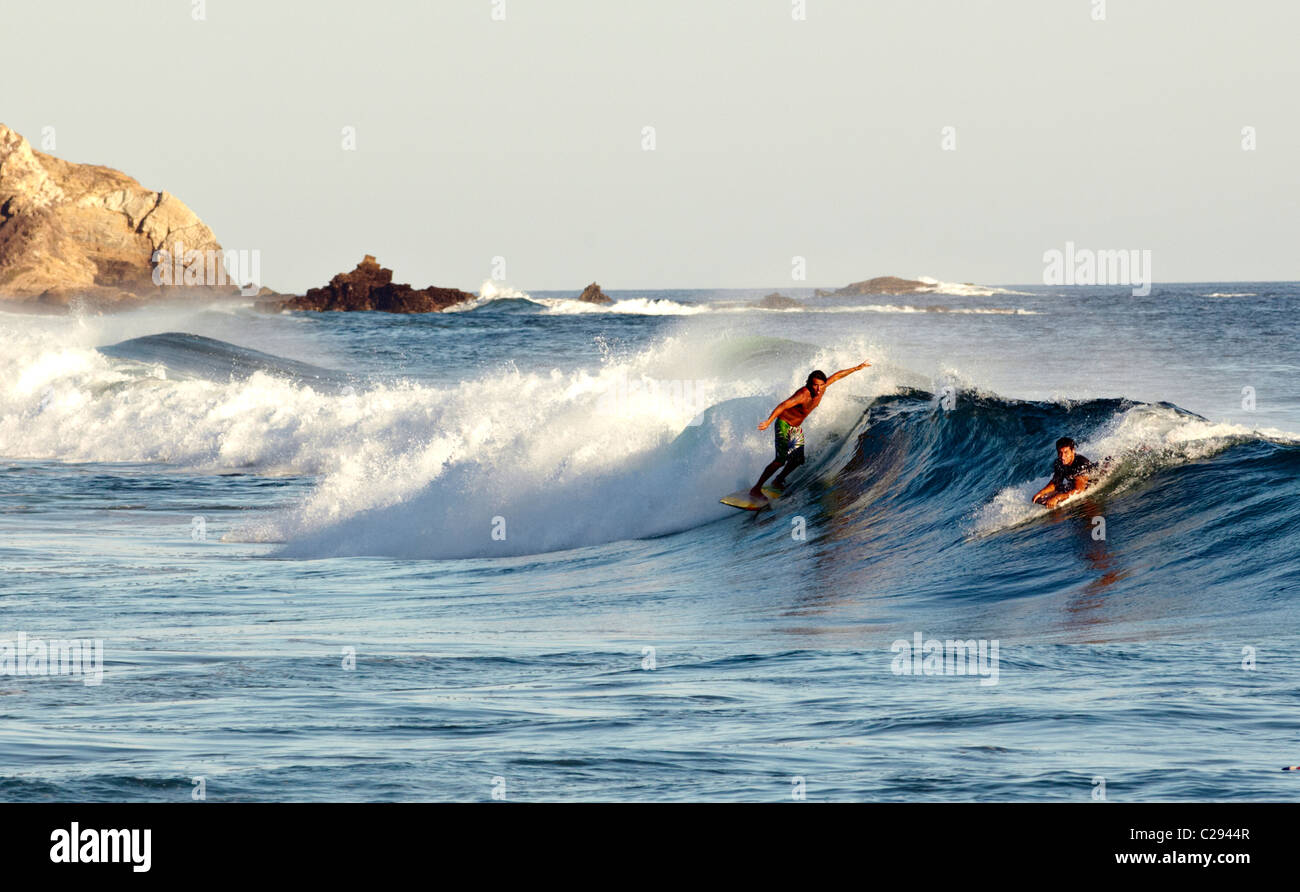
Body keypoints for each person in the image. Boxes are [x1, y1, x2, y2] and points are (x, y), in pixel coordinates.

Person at [751, 363, 870, 496]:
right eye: (815, 385)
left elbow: (837, 375)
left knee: (798, 460)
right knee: (780, 460)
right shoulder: (803, 395)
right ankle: (756, 488)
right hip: (784, 424)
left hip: (795, 427)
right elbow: (783, 406)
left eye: (821, 385)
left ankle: (778, 480)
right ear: (809, 383)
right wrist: (768, 421)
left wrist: (856, 368)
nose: (818, 389)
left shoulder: (822, 388)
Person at [1032, 437, 1097, 509]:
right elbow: (1056, 482)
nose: (1062, 457)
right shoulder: (1059, 463)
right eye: (1060, 453)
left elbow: (1079, 490)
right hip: (1075, 483)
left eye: (1066, 452)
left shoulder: (1080, 464)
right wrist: (1041, 492)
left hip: (1090, 483)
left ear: (1073, 451)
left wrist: (1057, 498)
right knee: (1043, 498)